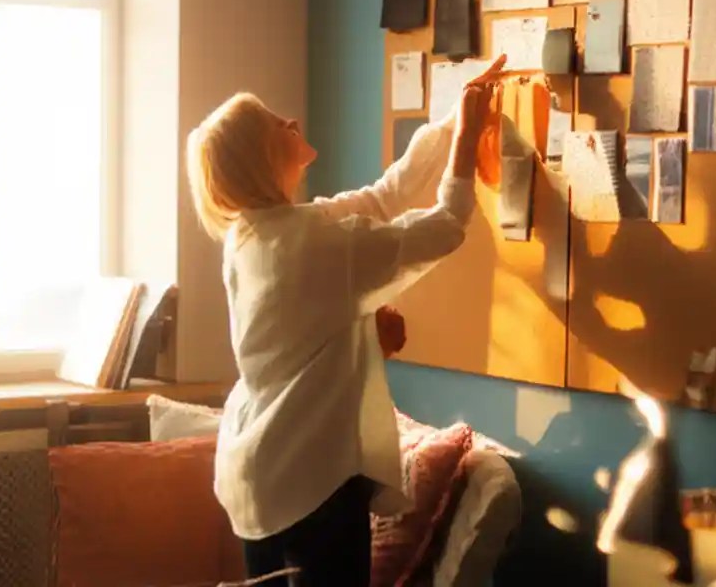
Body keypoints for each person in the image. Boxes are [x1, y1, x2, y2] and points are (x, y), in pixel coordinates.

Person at [185, 55, 506, 586]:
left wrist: (454, 119)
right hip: (310, 476)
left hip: (260, 473)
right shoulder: (311, 242)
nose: (291, 121)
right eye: (275, 123)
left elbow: (385, 197)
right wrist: (468, 137)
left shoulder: (252, 235)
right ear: (262, 157)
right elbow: (445, 226)